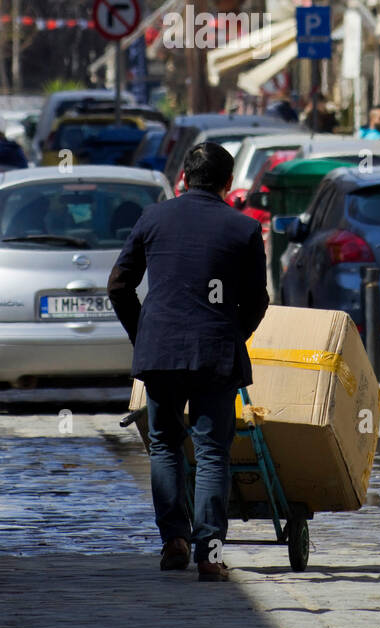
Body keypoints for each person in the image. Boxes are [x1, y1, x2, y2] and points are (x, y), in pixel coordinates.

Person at [107, 142, 269, 582]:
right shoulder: (243, 229)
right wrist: (234, 334)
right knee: (213, 451)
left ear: (183, 178)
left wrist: (142, 334)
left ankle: (174, 541)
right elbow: (258, 300)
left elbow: (119, 284)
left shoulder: (153, 218)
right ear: (228, 183)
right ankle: (209, 554)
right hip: (214, 353)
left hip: (160, 352)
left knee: (164, 444)